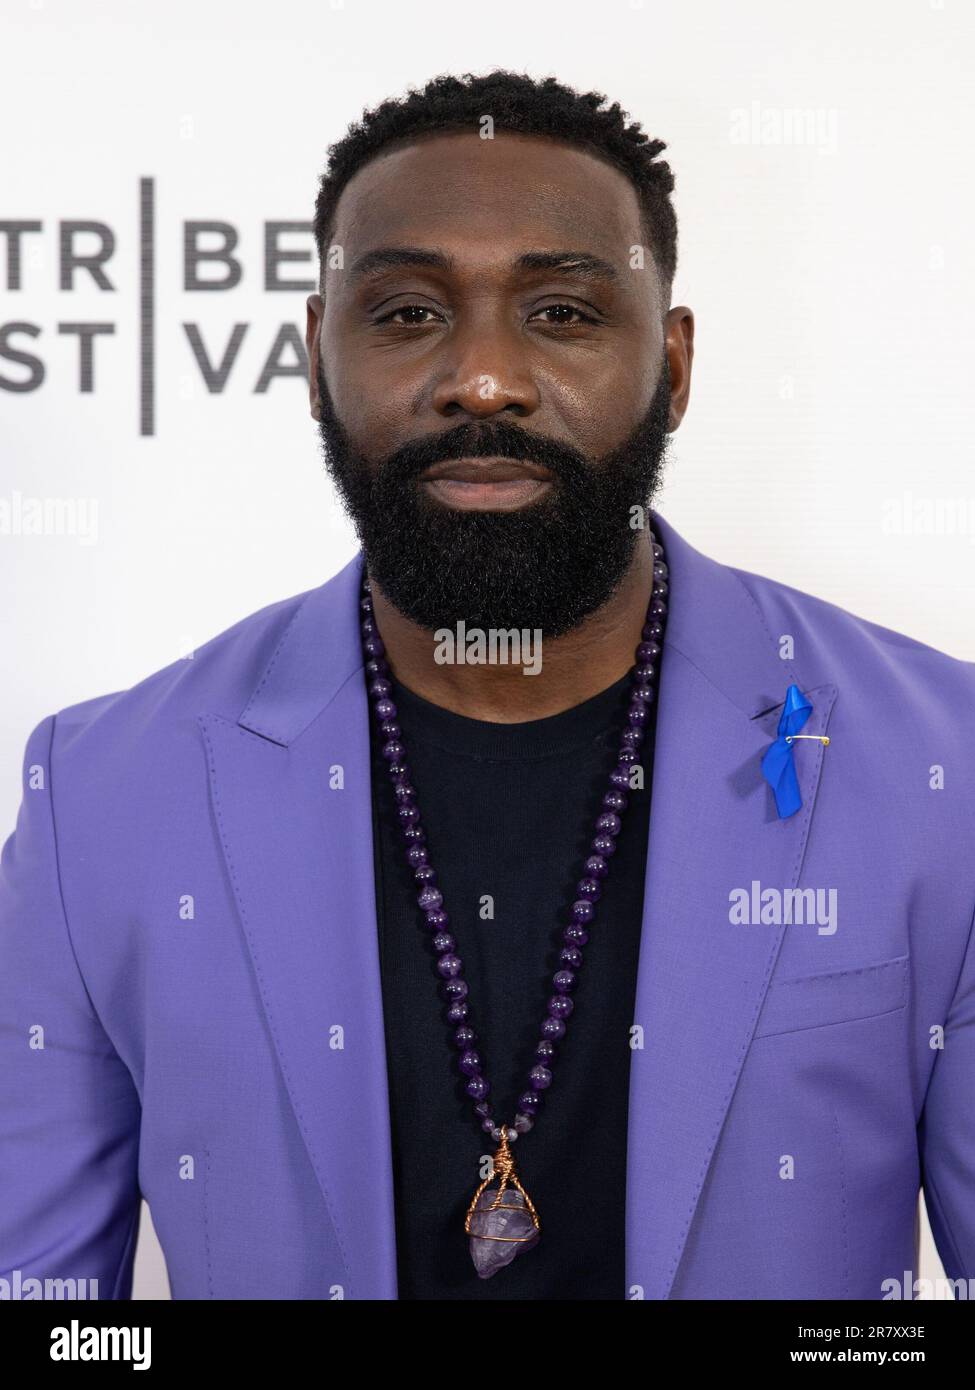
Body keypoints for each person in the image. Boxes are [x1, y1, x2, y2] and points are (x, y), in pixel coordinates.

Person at [1, 70, 973, 1302]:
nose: (483, 380)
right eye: (406, 313)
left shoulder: (945, 768)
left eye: (562, 311)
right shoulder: (101, 803)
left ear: (673, 364)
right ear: (314, 359)